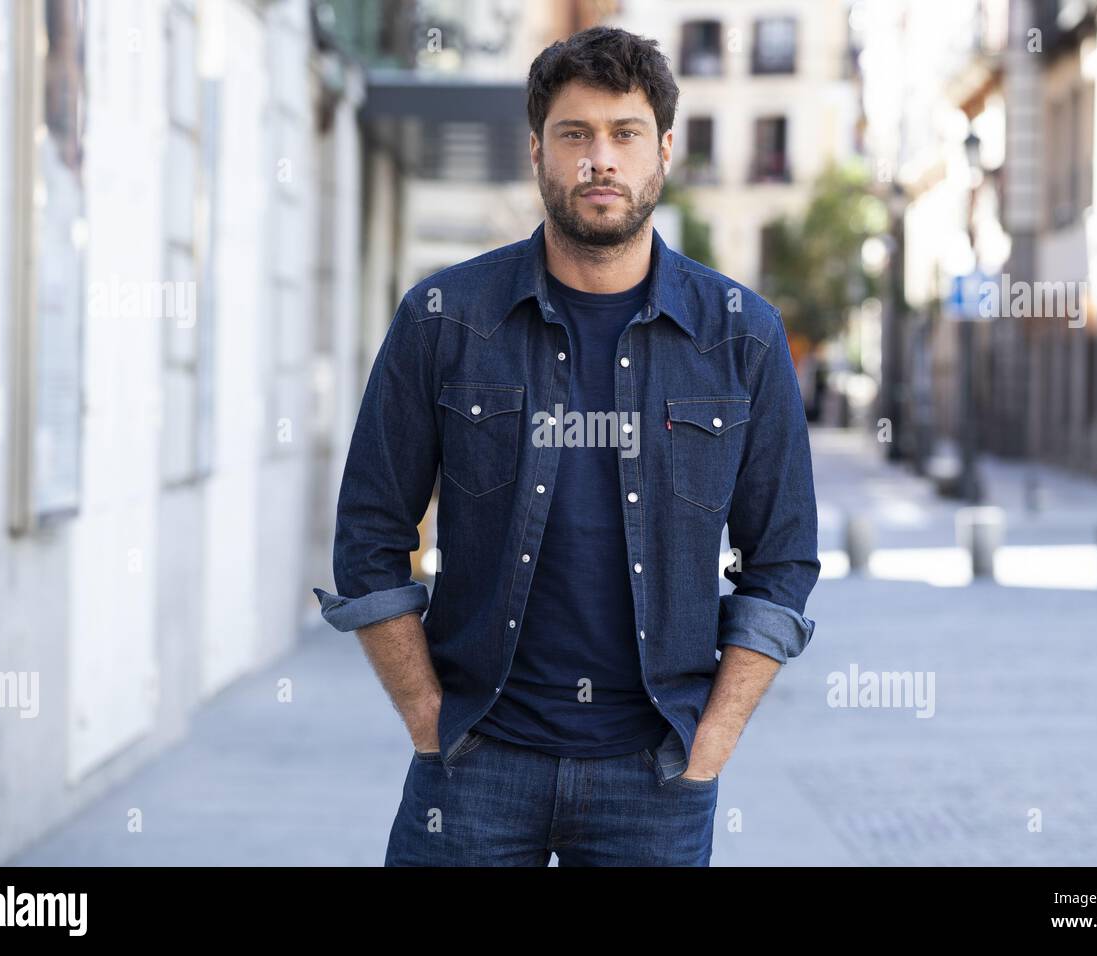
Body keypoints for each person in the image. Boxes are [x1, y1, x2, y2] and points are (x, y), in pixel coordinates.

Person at [312, 26, 820, 866]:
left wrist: (712, 745)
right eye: (575, 135)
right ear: (537, 151)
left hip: (655, 778)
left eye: (624, 135)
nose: (600, 161)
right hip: (475, 765)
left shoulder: (742, 337)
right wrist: (427, 721)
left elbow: (785, 559)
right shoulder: (444, 319)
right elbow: (369, 533)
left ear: (662, 150)